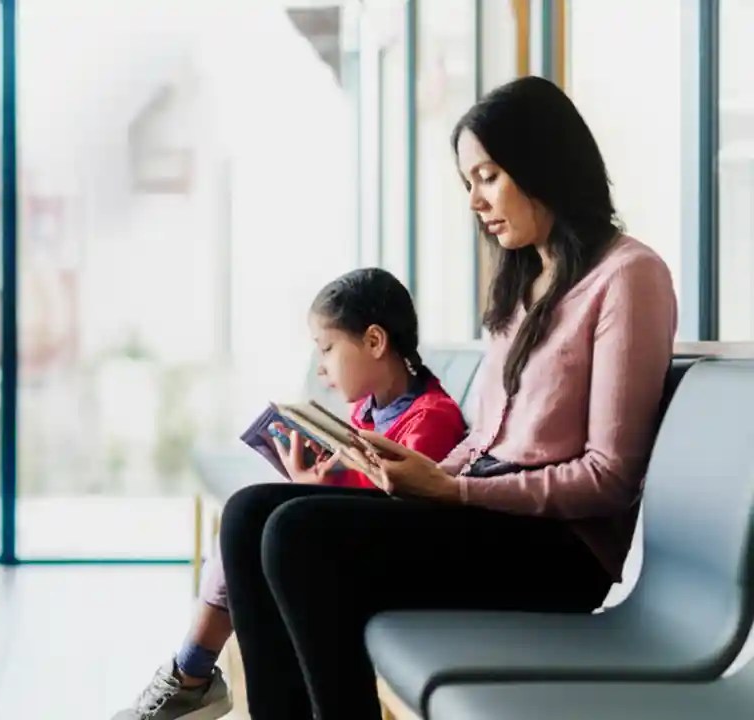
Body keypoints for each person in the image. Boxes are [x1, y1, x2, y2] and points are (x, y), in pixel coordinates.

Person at [219, 75, 678, 719]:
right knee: (248, 516)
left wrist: (453, 491)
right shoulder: (524, 285)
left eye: (487, 177)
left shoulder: (630, 276)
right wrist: (420, 474)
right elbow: (488, 441)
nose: (475, 201)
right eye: (469, 183)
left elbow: (609, 479)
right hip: (487, 518)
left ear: (541, 160)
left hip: (556, 550)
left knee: (296, 536)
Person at [113, 268, 466, 720]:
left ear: (375, 342)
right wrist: (319, 479)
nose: (320, 367)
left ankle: (191, 674)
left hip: (393, 556)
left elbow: (403, 513)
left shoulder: (431, 418)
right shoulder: (367, 411)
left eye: (327, 349)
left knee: (259, 528)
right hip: (342, 536)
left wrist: (314, 492)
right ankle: (192, 673)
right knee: (248, 521)